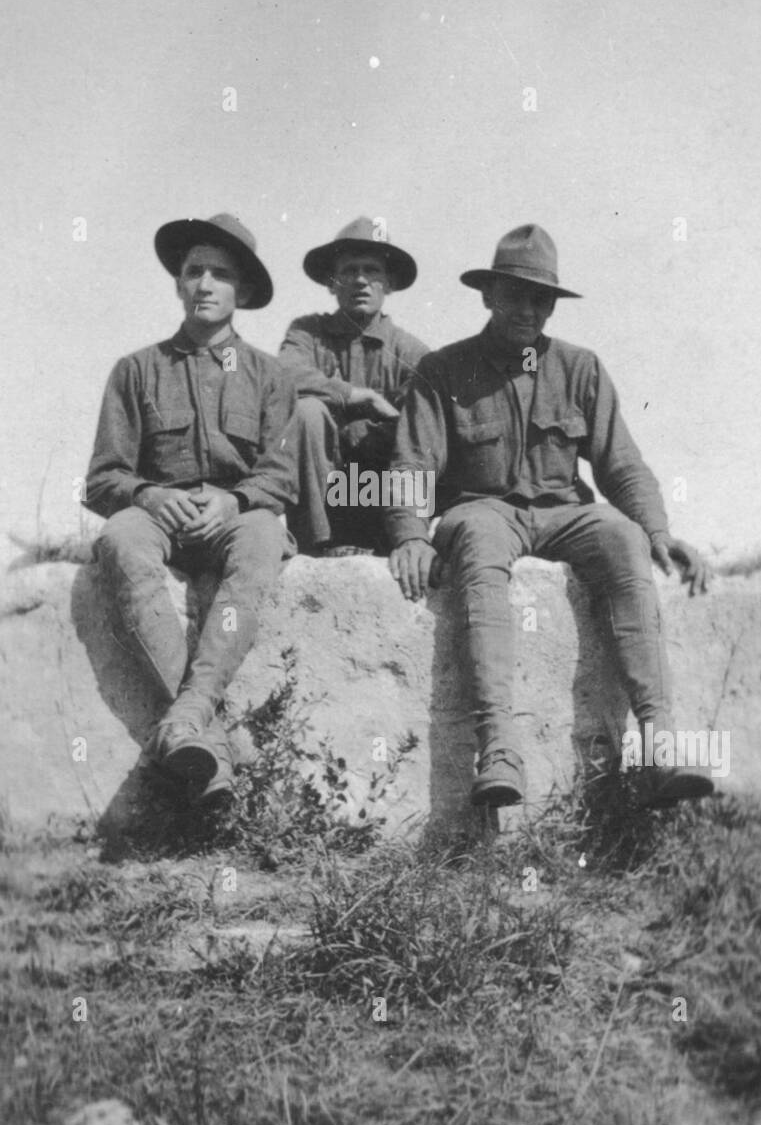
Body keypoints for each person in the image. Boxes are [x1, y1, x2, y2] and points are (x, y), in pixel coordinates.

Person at [385, 223, 713, 811]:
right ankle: (501, 749)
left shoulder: (580, 368)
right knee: (480, 543)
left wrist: (659, 531)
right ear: (488, 296)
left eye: (542, 298)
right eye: (516, 293)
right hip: (481, 509)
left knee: (623, 537)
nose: (529, 308)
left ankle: (660, 741)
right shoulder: (442, 370)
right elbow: (413, 461)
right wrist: (411, 534)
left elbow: (622, 463)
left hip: (564, 512)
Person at [84, 213, 298, 807]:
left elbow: (281, 476)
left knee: (262, 540)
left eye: (220, 274)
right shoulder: (135, 370)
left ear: (244, 293)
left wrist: (234, 499)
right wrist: (149, 495)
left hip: (235, 518)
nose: (204, 283)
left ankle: (191, 716)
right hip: (157, 516)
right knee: (121, 541)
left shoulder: (270, 375)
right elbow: (103, 477)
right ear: (178, 284)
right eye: (193, 271)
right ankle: (210, 744)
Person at [279, 217, 429, 552]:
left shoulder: (412, 352)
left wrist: (388, 420)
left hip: (382, 498)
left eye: (372, 271)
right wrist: (355, 396)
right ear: (332, 284)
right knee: (306, 411)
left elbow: (425, 432)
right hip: (324, 494)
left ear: (389, 284)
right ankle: (318, 546)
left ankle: (405, 542)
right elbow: (284, 373)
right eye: (348, 271)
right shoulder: (307, 333)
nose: (360, 280)